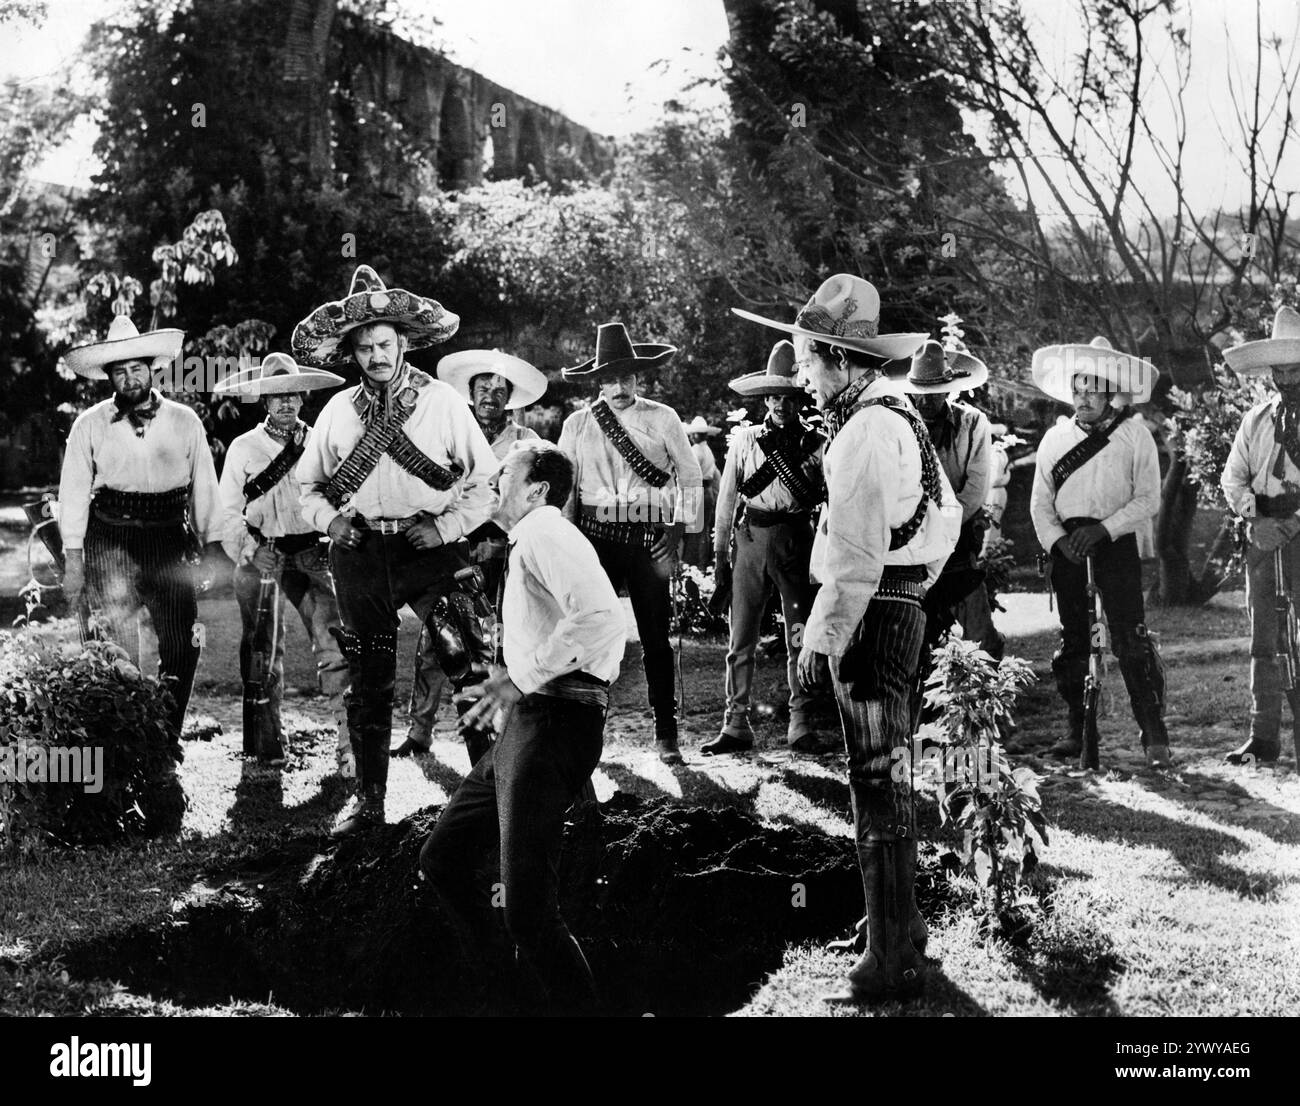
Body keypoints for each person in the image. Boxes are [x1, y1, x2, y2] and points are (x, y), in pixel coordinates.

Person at [734, 274, 957, 1002]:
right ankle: (897, 928)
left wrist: (824, 634)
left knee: (874, 778)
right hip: (897, 601)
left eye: (805, 359)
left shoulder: (866, 429)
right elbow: (945, 517)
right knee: (886, 772)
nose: (800, 374)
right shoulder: (897, 415)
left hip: (870, 612)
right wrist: (913, 582)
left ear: (839, 358)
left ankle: (889, 959)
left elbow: (858, 553)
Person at [419, 440, 623, 1015]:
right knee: (444, 858)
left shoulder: (544, 532)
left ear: (536, 490)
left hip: (555, 720)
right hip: (531, 723)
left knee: (530, 913)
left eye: (506, 470)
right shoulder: (524, 539)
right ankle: (507, 997)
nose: (495, 476)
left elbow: (602, 617)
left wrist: (520, 679)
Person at [292, 264, 498, 835]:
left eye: (386, 343)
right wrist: (329, 522)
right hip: (360, 551)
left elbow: (486, 481)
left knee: (468, 662)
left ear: (405, 342)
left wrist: (448, 528)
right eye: (365, 348)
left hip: (428, 545)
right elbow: (307, 487)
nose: (377, 355)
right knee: (370, 679)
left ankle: (497, 793)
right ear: (351, 354)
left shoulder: (443, 403)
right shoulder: (335, 412)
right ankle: (370, 799)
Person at [59, 314, 225, 738]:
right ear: (109, 376)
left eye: (137, 368)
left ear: (152, 368)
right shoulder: (89, 424)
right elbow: (74, 494)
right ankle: (123, 746)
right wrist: (74, 561)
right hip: (109, 538)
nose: (130, 377)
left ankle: (165, 739)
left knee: (183, 643)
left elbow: (204, 487)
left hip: (169, 538)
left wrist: (214, 548)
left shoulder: (185, 420)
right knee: (113, 648)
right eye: (120, 370)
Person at [557, 322, 703, 765]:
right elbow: (566, 490)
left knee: (656, 639)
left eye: (626, 377)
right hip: (595, 540)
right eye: (609, 378)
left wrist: (677, 532)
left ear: (639, 378)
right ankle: (585, 735)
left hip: (647, 540)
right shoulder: (578, 424)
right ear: (597, 381)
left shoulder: (662, 417)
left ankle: (666, 733)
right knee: (591, 636)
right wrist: (567, 547)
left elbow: (691, 475)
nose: (618, 387)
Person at [392, 350, 547, 759]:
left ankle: (507, 731)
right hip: (452, 548)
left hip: (503, 552)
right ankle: (419, 729)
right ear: (471, 392)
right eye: (484, 388)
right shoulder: (450, 429)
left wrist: (503, 539)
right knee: (436, 640)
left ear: (509, 398)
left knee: (503, 639)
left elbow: (531, 499)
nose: (491, 397)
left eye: (500, 391)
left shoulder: (524, 441)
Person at [1029, 335, 1170, 768]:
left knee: (1130, 638)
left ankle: (1152, 731)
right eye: (1078, 386)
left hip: (1116, 546)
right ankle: (1077, 727)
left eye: (1093, 386)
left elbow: (1148, 499)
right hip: (1069, 550)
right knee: (1075, 641)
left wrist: (1104, 531)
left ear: (1111, 391)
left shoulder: (1134, 436)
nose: (1084, 396)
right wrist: (1057, 542)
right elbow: (1039, 503)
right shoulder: (1055, 438)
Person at [214, 353, 352, 772]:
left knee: (334, 644)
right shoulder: (243, 447)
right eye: (276, 397)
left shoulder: (320, 442)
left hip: (312, 553)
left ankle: (349, 744)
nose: (285, 404)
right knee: (262, 650)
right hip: (261, 556)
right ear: (263, 401)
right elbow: (226, 513)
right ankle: (266, 741)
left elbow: (342, 498)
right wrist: (252, 550)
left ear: (303, 396)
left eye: (292, 394)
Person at [705, 339, 831, 756]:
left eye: (789, 397)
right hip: (752, 540)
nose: (781, 405)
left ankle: (801, 722)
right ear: (765, 400)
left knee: (800, 635)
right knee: (741, 637)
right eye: (774, 397)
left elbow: (830, 499)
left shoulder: (816, 444)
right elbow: (726, 503)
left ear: (799, 400)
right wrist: (720, 556)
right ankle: (735, 723)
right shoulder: (745, 441)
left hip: (796, 542)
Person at [1220, 305, 1300, 766]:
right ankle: (1262, 735)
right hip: (1263, 535)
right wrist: (1256, 519)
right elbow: (1234, 479)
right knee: (1264, 636)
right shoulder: (1255, 420)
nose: (1287, 379)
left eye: (1296, 370)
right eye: (1280, 370)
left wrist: (1293, 523)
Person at [901, 339, 1005, 666]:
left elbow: (975, 488)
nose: (924, 399)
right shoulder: (900, 423)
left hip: (957, 541)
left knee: (981, 636)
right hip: (911, 546)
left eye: (934, 390)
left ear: (949, 389)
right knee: (913, 637)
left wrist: (942, 527)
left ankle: (981, 702)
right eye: (918, 390)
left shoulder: (972, 423)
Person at [682, 415, 721, 568]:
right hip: (707, 492)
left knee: (694, 531)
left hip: (698, 491)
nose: (691, 436)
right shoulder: (708, 450)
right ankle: (702, 564)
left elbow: (689, 474)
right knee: (702, 530)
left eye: (694, 433)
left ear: (700, 435)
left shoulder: (696, 450)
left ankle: (693, 566)